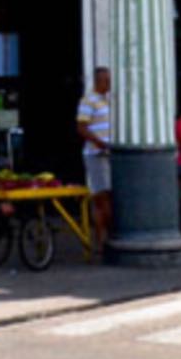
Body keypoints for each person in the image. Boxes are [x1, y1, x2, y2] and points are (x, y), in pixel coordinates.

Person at [76, 67, 113, 249]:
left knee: (111, 195)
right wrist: (99, 142)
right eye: (106, 81)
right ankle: (101, 239)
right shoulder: (89, 101)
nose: (109, 84)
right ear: (99, 81)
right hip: (97, 154)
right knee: (101, 195)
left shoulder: (107, 101)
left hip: (110, 154)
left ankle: (108, 235)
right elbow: (82, 127)